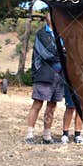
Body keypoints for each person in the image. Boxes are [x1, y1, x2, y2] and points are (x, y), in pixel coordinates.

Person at [25, 12, 64, 144]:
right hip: (44, 75)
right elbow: (48, 54)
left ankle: (47, 135)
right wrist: (63, 53)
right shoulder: (41, 34)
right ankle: (29, 134)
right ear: (49, 20)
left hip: (59, 76)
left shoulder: (62, 34)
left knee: (52, 106)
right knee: (37, 104)